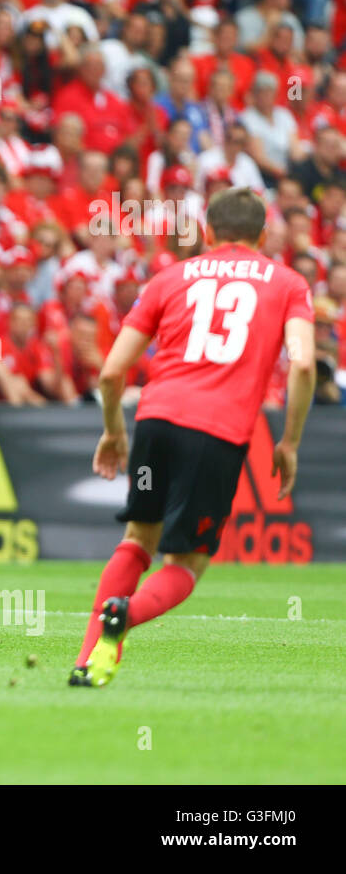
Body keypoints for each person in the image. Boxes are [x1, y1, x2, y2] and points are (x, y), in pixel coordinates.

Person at [72, 187, 315, 687]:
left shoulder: (169, 277)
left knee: (138, 538)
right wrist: (289, 442)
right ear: (264, 237)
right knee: (187, 563)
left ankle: (87, 660)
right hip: (216, 433)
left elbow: (112, 373)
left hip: (155, 423)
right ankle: (127, 614)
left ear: (206, 233)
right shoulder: (288, 283)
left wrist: (115, 432)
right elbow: (305, 364)